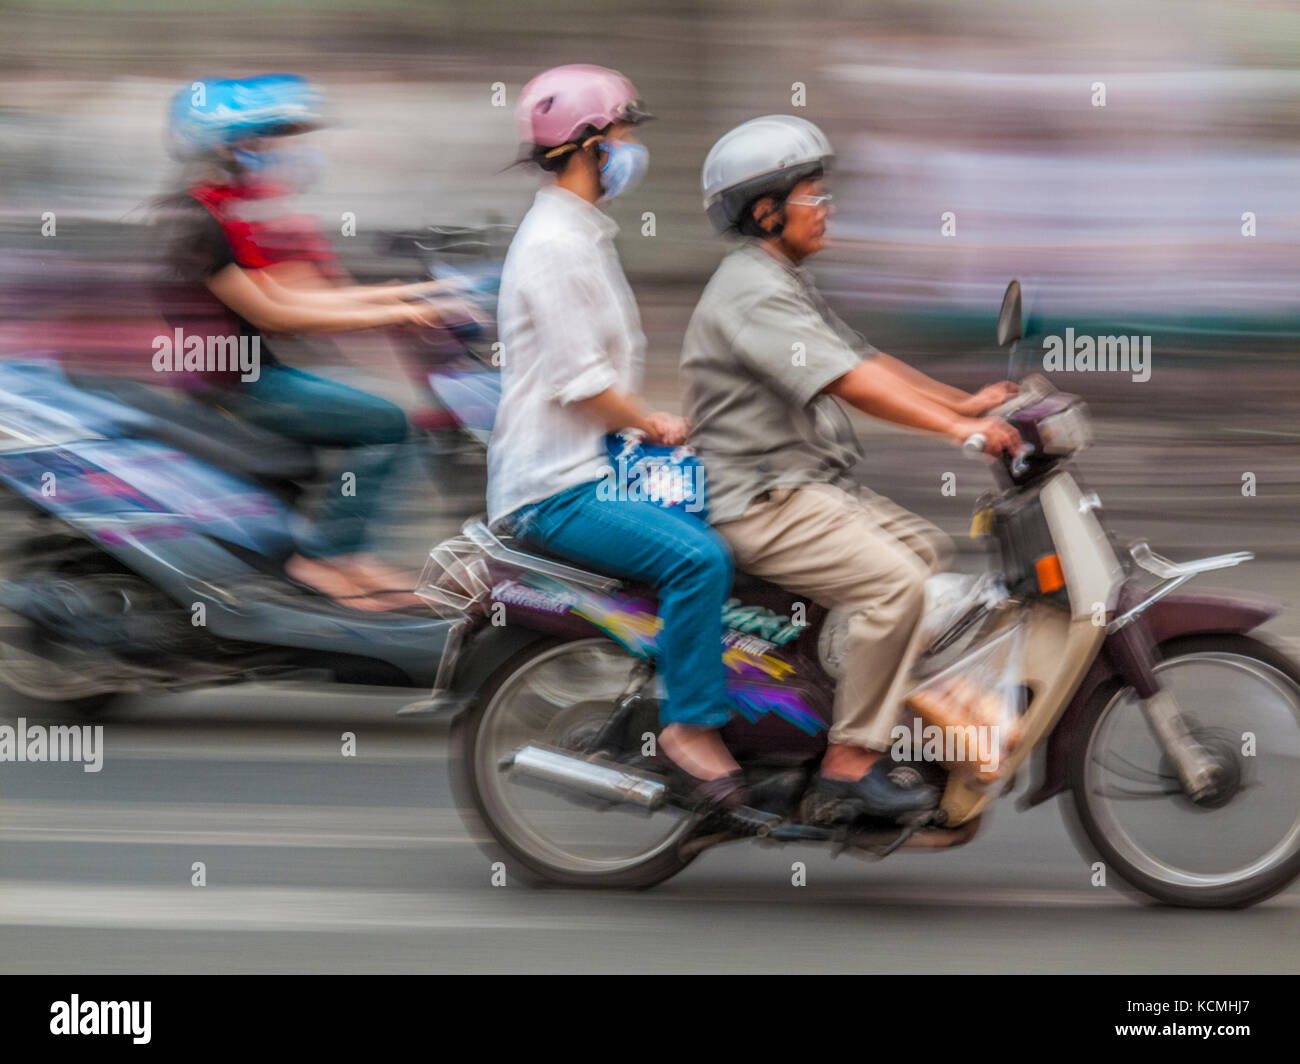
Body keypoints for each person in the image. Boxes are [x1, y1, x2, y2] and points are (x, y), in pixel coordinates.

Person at [681, 115, 1022, 823]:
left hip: (804, 488)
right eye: (813, 194)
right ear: (766, 210)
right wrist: (960, 431)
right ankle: (847, 766)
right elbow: (850, 384)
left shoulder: (780, 280)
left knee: (927, 552)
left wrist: (964, 400)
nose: (826, 207)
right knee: (895, 588)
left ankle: (840, 697)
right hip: (760, 501)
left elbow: (867, 361)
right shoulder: (751, 290)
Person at [487, 64, 774, 830]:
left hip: (597, 464)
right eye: (625, 132)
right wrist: (649, 420)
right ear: (590, 144)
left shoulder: (581, 231)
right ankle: (690, 725)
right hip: (557, 487)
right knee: (698, 558)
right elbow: (582, 386)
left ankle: (766, 710)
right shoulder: (557, 245)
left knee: (752, 504)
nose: (634, 146)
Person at [158, 75, 454, 610]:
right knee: (386, 422)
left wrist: (413, 295)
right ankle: (328, 559)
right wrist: (402, 310)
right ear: (229, 148)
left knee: (377, 405)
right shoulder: (195, 222)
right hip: (236, 384)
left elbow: (297, 295)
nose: (281, 151)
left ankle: (348, 554)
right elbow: (278, 315)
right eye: (267, 140)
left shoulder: (221, 212)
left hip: (248, 373)